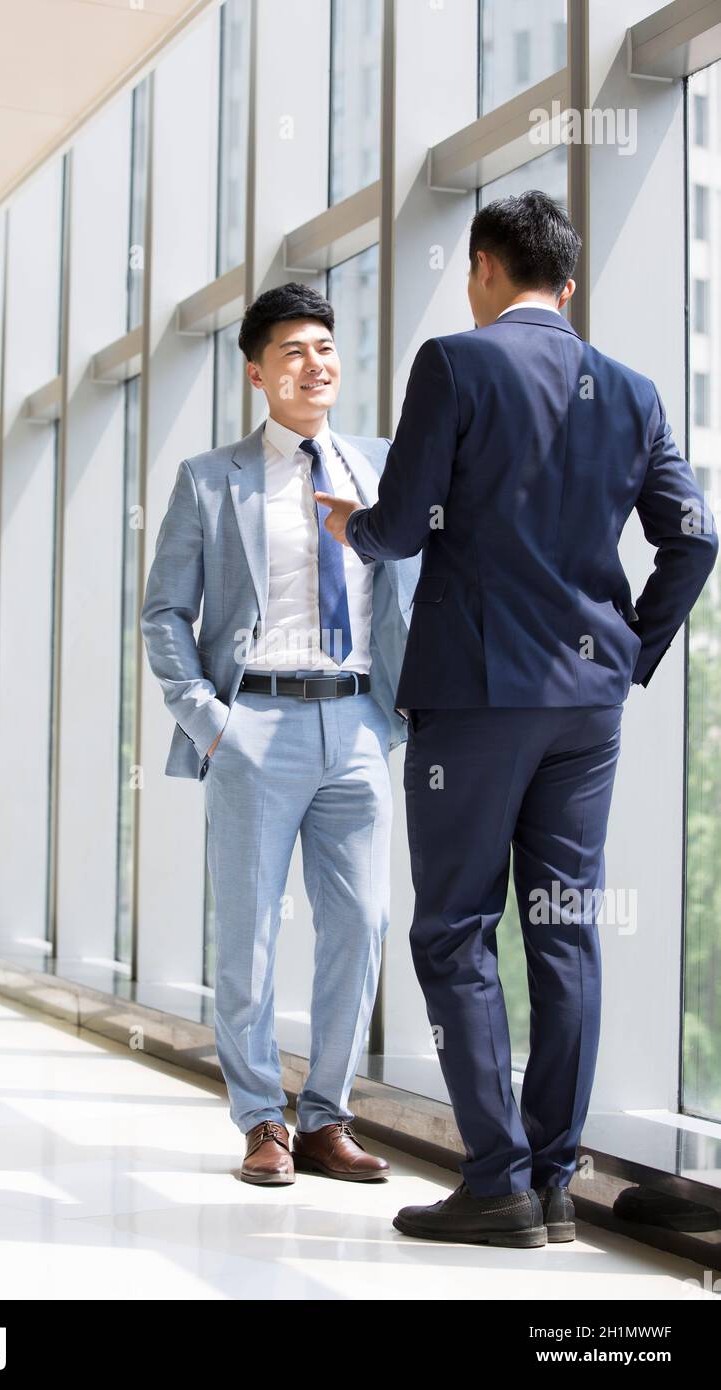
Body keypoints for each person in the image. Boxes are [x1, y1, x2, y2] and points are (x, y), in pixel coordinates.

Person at [316, 191, 719, 1248]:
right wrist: (630, 648)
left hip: (475, 695)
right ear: (569, 284)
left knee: (453, 929)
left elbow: (400, 530)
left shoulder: (455, 363)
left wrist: (349, 524)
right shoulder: (630, 393)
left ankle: (494, 1178)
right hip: (586, 705)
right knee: (562, 930)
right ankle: (549, 1178)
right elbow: (695, 540)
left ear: (484, 270)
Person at [140, 282, 419, 1185]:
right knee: (249, 932)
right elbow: (164, 613)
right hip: (253, 722)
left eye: (326, 348)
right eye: (294, 350)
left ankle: (328, 1118)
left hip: (360, 720)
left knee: (360, 926)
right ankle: (263, 1119)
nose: (315, 363)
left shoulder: (382, 468)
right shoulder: (210, 478)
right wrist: (211, 723)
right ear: (258, 372)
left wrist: (400, 714)